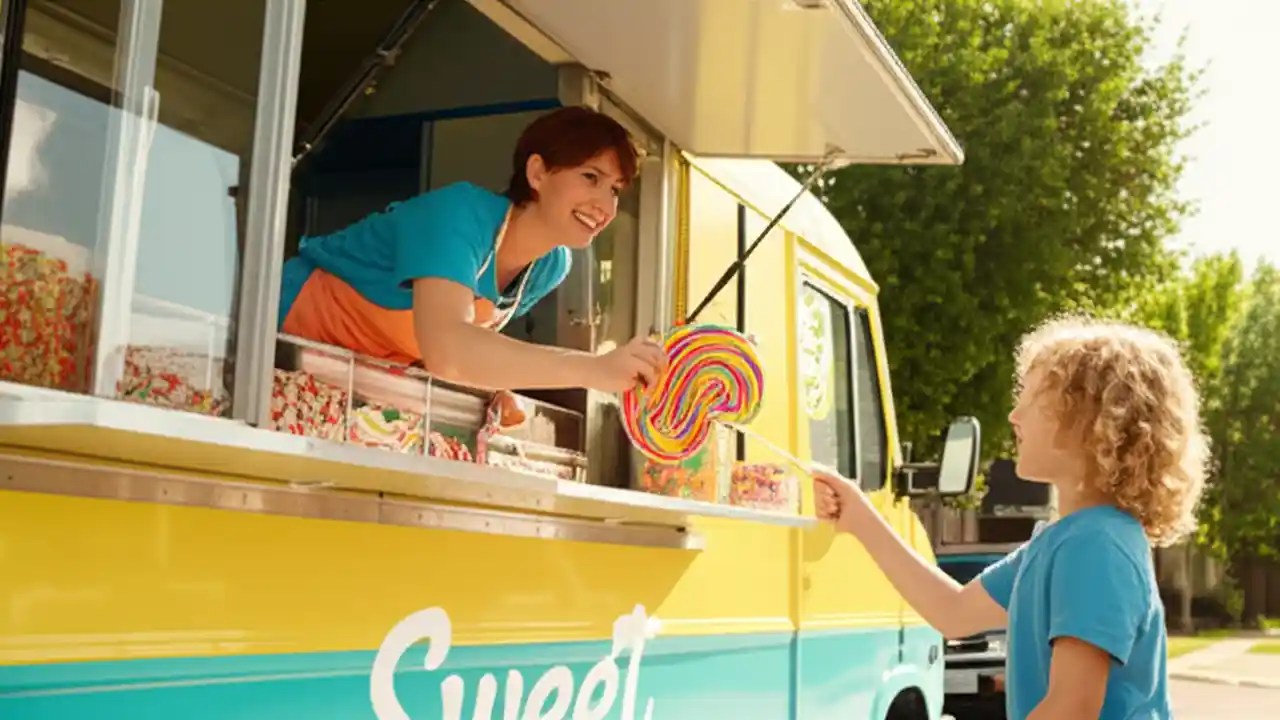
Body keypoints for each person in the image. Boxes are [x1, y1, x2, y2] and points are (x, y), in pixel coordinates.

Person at [813, 316, 1208, 720]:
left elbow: (1070, 708)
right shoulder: (1064, 541)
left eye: (1033, 398)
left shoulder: (1095, 546)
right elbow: (953, 612)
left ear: (1090, 424)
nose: (1014, 416)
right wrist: (859, 517)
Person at [277, 106, 667, 394]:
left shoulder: (551, 264)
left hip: (347, 383)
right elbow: (449, 350)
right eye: (590, 177)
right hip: (273, 343)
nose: (605, 205)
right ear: (537, 173)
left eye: (614, 189)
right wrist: (592, 369)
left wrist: (495, 390)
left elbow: (457, 356)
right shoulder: (458, 214)